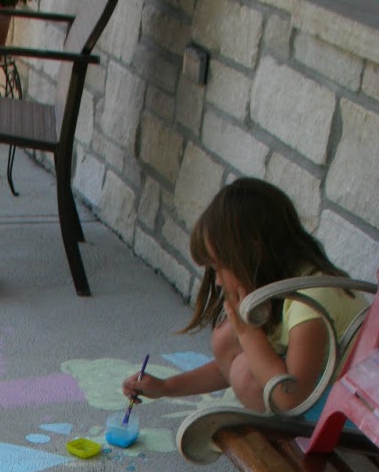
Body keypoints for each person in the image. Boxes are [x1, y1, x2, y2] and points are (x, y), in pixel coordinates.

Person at [122, 178, 364, 418]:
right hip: (322, 395)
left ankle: (285, 442)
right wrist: (167, 387)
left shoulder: (310, 301)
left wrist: (248, 332)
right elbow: (228, 365)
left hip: (350, 415)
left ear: (252, 253)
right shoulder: (281, 284)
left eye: (220, 267)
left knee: (245, 370)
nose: (217, 281)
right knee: (228, 338)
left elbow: (291, 397)